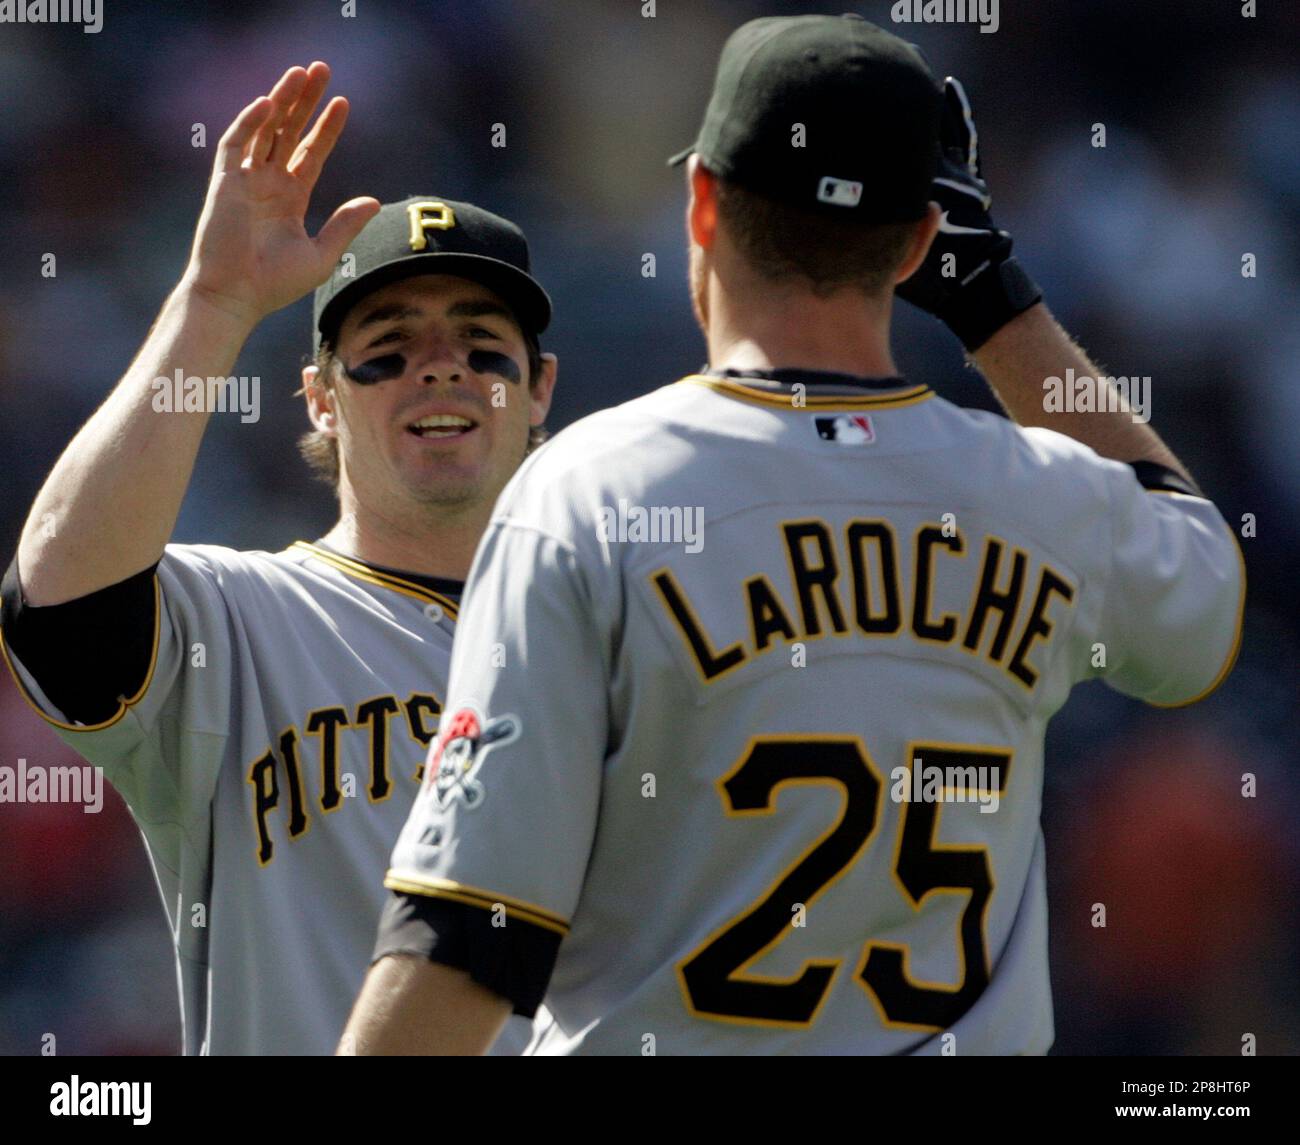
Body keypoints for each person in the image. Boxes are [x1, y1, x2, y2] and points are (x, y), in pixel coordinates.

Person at [341, 15, 1244, 1055]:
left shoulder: (591, 491)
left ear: (703, 202)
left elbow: (468, 938)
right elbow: (1201, 595)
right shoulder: (1040, 494)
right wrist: (993, 299)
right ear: (915, 243)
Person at [0, 61, 556, 1055]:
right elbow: (57, 609)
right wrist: (213, 301)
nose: (441, 364)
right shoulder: (239, 617)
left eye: (482, 342)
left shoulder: (629, 636)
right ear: (317, 397)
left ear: (540, 387)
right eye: (387, 341)